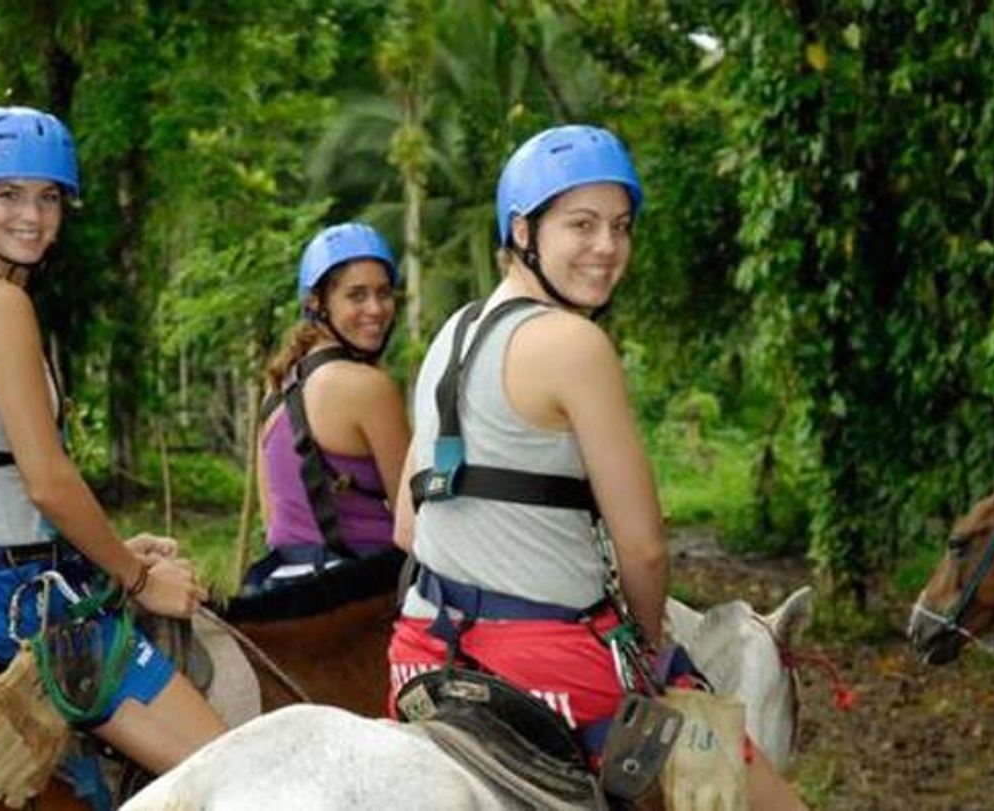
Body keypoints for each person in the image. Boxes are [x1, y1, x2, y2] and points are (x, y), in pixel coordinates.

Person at [386, 124, 805, 809]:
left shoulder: (450, 334)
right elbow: (642, 547)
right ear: (524, 230)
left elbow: (407, 527)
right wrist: (647, 645)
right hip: (550, 672)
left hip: (421, 659)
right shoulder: (575, 343)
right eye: (581, 223)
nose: (607, 246)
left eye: (621, 225)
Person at [0, 106, 224, 775]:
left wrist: (102, 554)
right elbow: (47, 478)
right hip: (4, 591)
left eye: (48, 198)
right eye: (7, 194)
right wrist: (137, 579)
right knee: (230, 768)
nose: (32, 216)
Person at [243, 223, 410, 593]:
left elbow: (273, 520)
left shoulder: (276, 390)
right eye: (357, 295)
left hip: (283, 585)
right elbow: (414, 519)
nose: (376, 309)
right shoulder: (368, 387)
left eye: (384, 293)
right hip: (362, 592)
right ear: (317, 303)